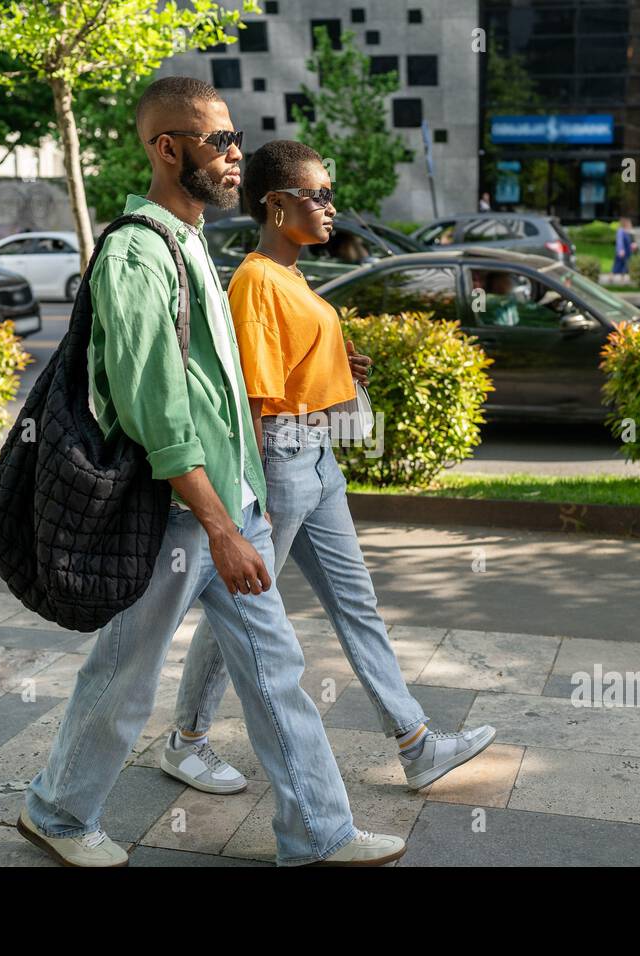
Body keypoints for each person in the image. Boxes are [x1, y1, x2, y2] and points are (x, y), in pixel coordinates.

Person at [17, 77, 405, 867]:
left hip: (232, 506)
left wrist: (246, 506)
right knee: (124, 678)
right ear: (168, 149)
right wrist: (222, 527)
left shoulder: (195, 240)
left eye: (235, 140)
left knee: (277, 677)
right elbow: (158, 413)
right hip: (177, 517)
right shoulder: (136, 251)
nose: (237, 157)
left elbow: (217, 386)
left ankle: (317, 832)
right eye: (219, 143)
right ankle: (56, 814)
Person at [163, 139, 496, 797]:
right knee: (245, 604)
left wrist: (341, 369)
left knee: (357, 604)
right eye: (318, 195)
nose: (331, 207)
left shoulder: (290, 276)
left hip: (320, 460)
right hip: (282, 462)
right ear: (277, 203)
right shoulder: (256, 279)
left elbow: (291, 371)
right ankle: (186, 740)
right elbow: (254, 399)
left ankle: (417, 744)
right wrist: (245, 500)